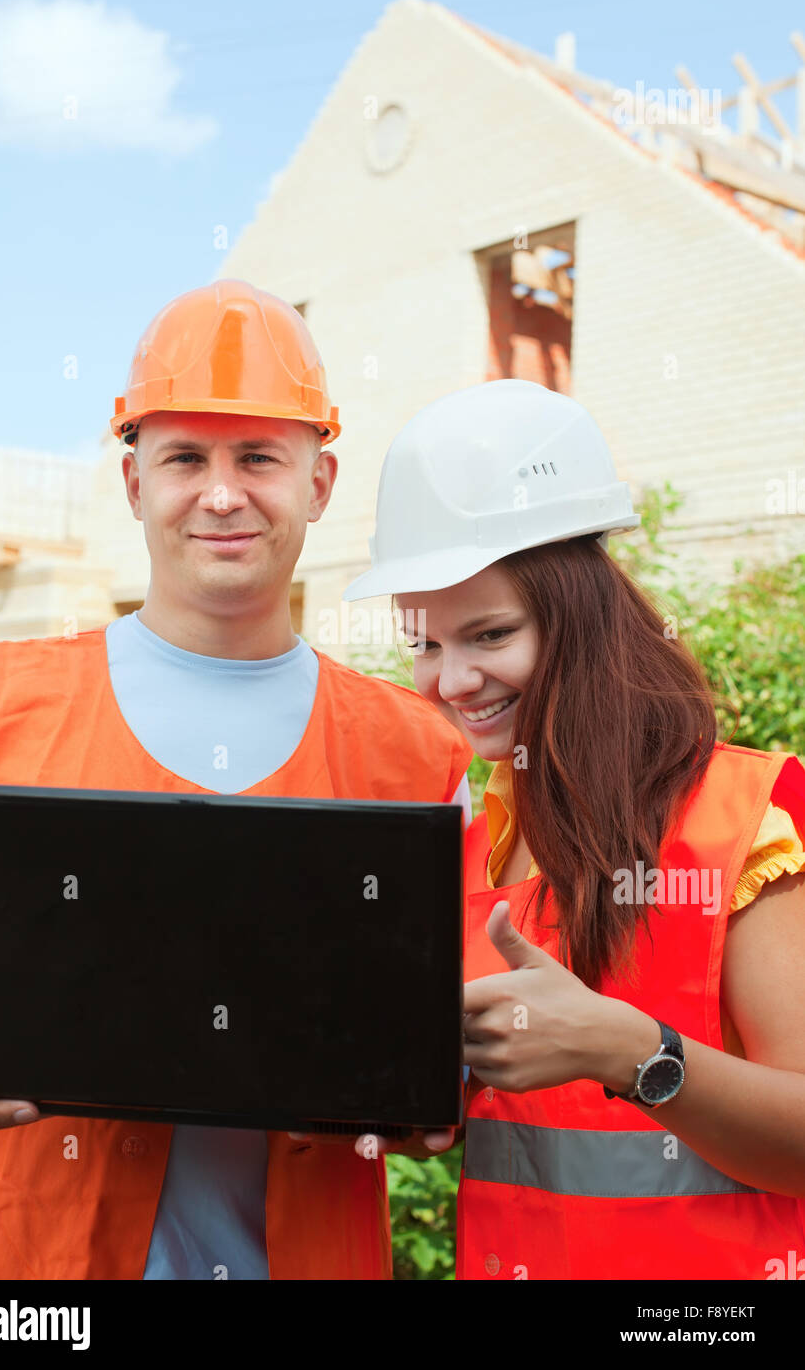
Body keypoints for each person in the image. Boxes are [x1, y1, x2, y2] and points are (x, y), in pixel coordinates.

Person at [0, 279, 473, 1281]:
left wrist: (441, 1090)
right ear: (136, 482)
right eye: (185, 457)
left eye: (259, 457)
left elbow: (462, 1054)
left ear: (317, 483)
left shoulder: (418, 757)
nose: (221, 494)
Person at [342, 377, 805, 1280]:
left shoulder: (740, 825)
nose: (451, 680)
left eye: (488, 634)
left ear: (582, 619)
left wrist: (637, 1056)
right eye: (425, 643)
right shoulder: (475, 848)